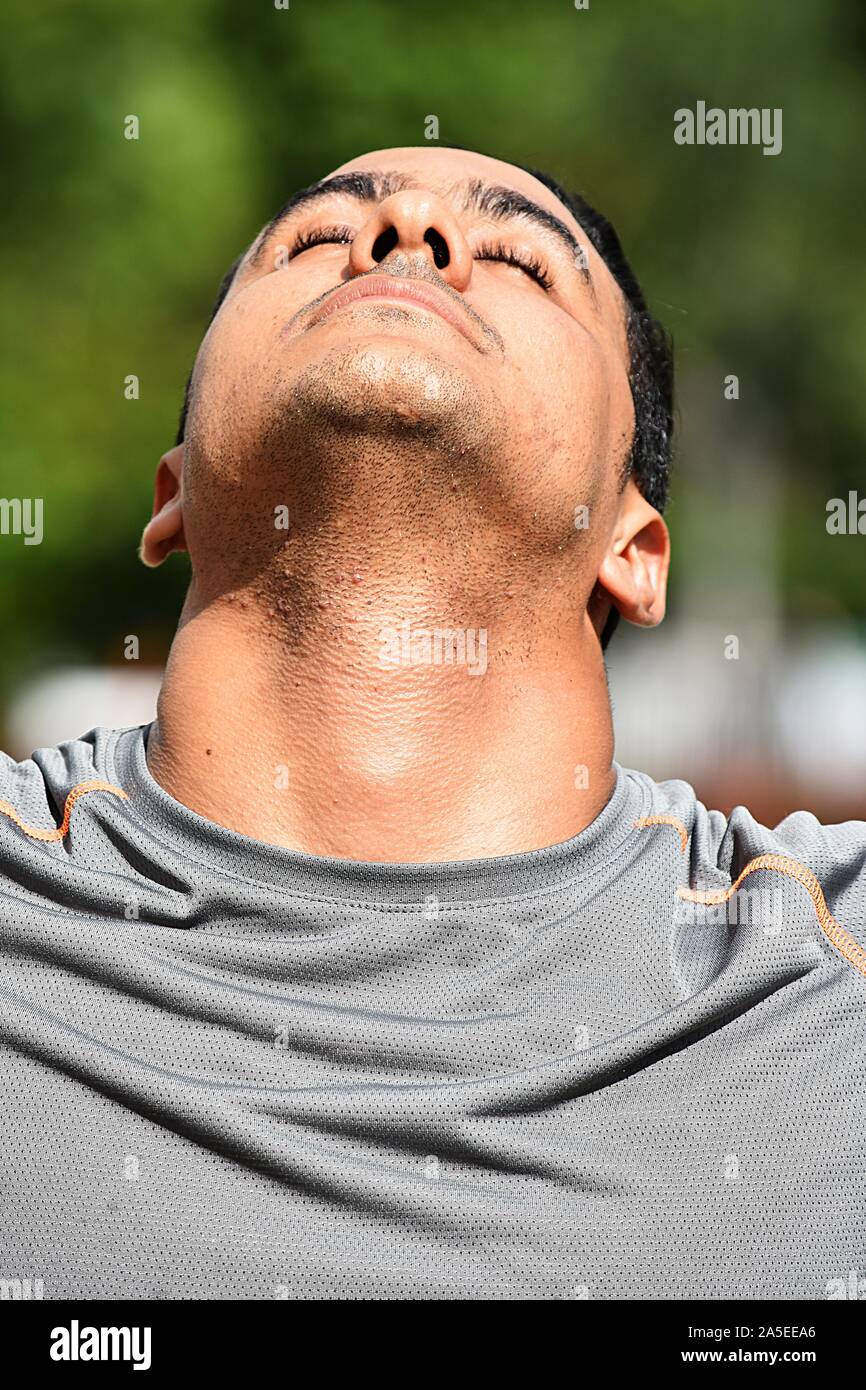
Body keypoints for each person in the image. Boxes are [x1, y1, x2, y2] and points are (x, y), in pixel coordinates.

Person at [1, 145, 863, 1301]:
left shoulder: (821, 979)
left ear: (632, 547)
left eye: (516, 256)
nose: (405, 226)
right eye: (313, 241)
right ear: (172, 493)